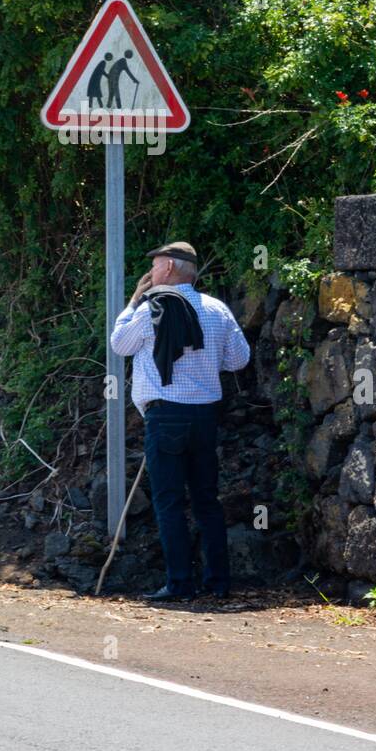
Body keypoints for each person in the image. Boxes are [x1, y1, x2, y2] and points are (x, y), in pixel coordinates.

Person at [110, 240, 250, 602]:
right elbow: (238, 359)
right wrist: (205, 366)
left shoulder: (152, 307)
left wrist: (133, 301)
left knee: (169, 500)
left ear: (169, 268)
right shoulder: (217, 309)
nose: (150, 274)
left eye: (155, 267)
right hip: (205, 415)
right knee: (207, 499)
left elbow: (120, 344)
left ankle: (179, 584)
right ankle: (218, 584)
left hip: (166, 415)